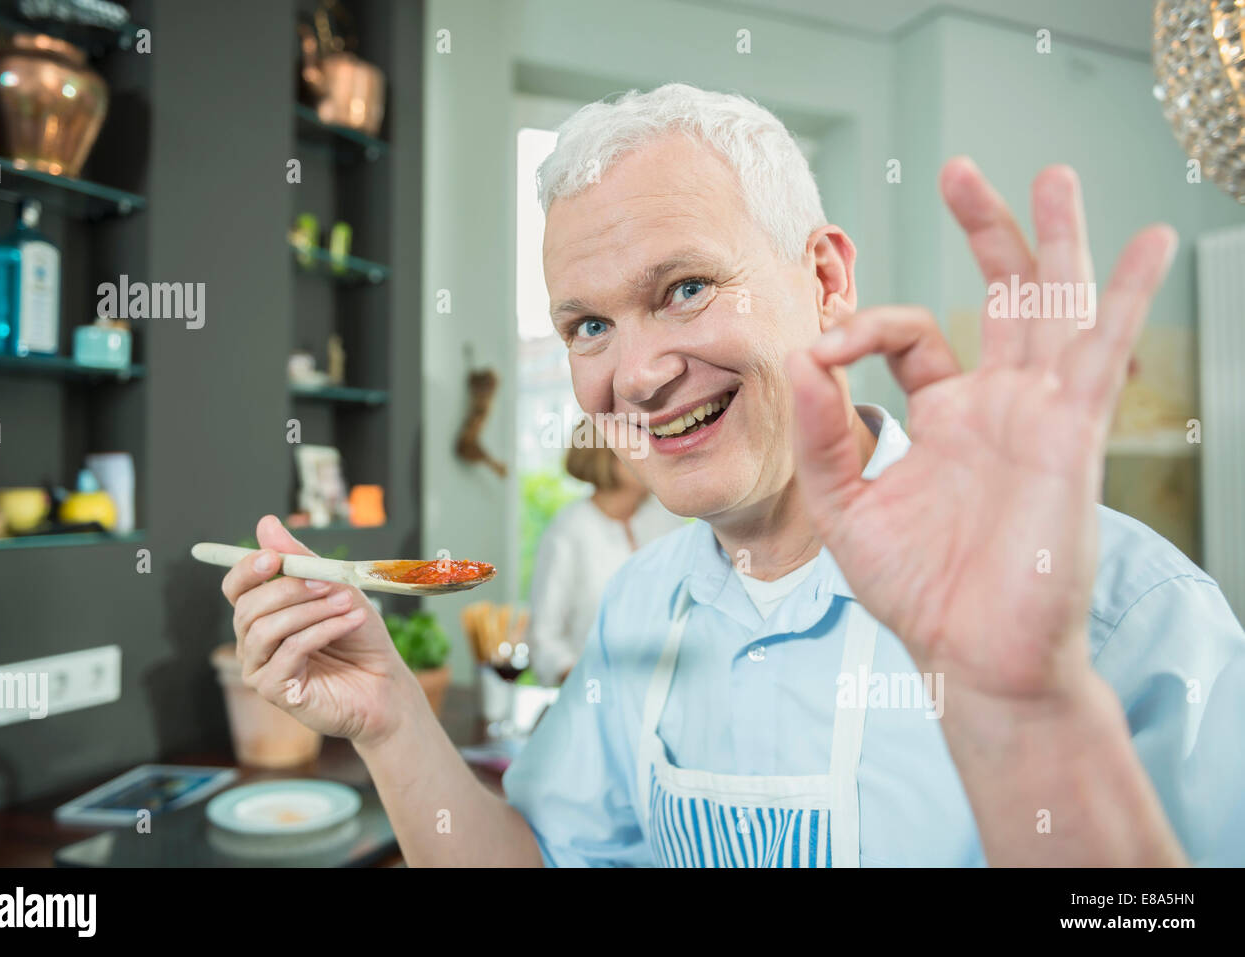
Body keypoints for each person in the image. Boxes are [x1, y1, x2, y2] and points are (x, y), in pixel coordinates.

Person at [217, 83, 1245, 866]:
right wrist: (390, 717)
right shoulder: (643, 610)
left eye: (687, 287)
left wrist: (1034, 720)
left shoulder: (1127, 613)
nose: (639, 372)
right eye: (587, 325)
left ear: (826, 280)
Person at [528, 428, 682, 685]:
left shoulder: (667, 520)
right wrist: (588, 682)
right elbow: (543, 640)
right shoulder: (569, 530)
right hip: (595, 701)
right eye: (640, 446)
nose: (654, 454)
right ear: (608, 456)